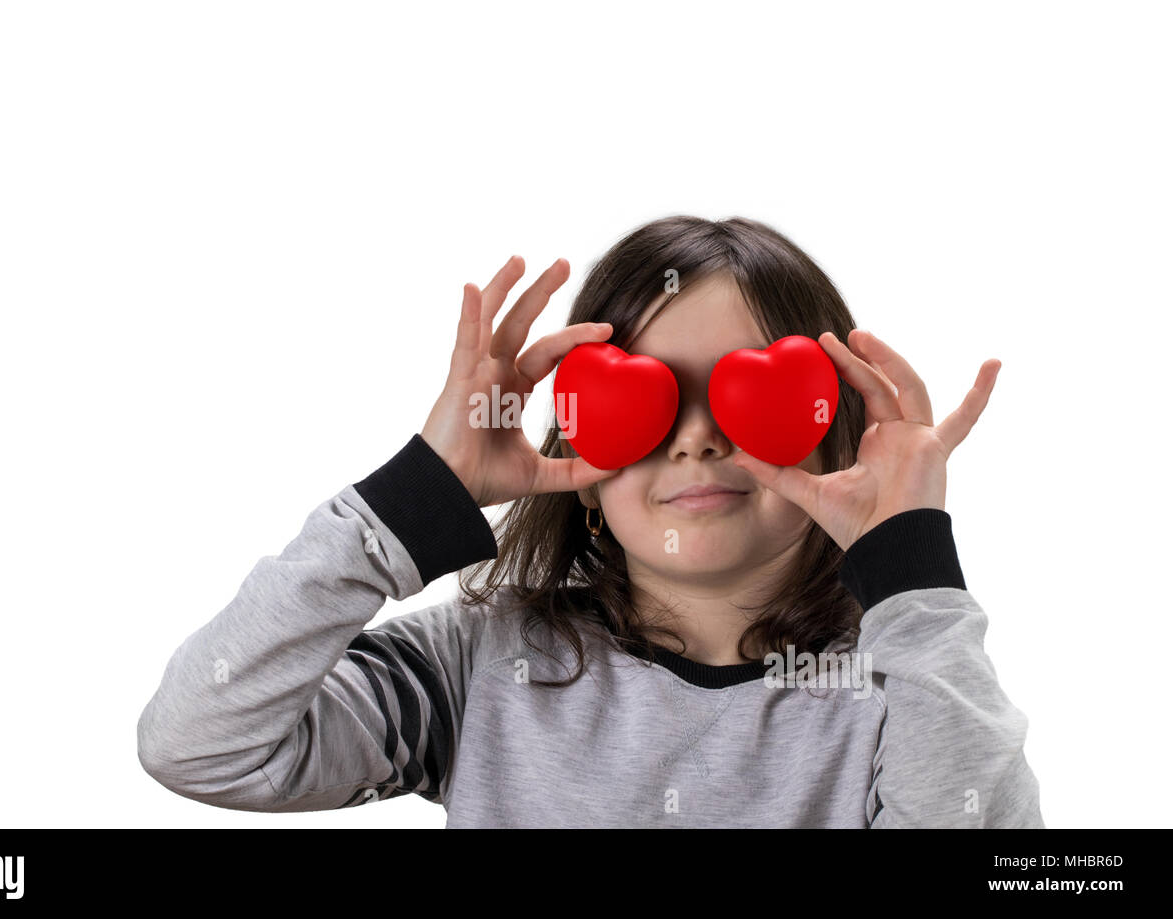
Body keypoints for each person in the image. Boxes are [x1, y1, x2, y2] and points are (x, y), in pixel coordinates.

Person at [136, 215, 1044, 828]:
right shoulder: (480, 663)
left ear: (833, 431)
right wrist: (415, 497)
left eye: (748, 394)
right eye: (648, 404)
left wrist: (911, 563)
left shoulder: (905, 682)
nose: (695, 438)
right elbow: (200, 744)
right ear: (580, 466)